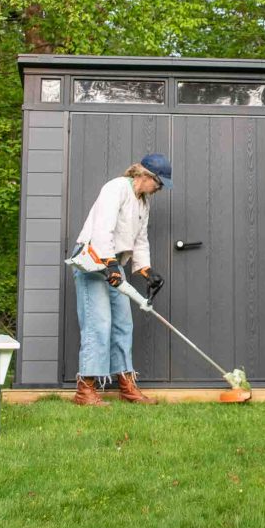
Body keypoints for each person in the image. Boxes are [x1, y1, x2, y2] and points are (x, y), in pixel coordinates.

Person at [69, 152, 172, 406]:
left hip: (113, 263)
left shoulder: (144, 202)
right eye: (158, 183)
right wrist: (110, 264)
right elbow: (102, 228)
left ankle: (127, 386)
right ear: (145, 175)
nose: (159, 189)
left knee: (124, 323)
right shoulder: (116, 188)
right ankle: (85, 390)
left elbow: (140, 240)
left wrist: (146, 270)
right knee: (98, 323)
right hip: (93, 259)